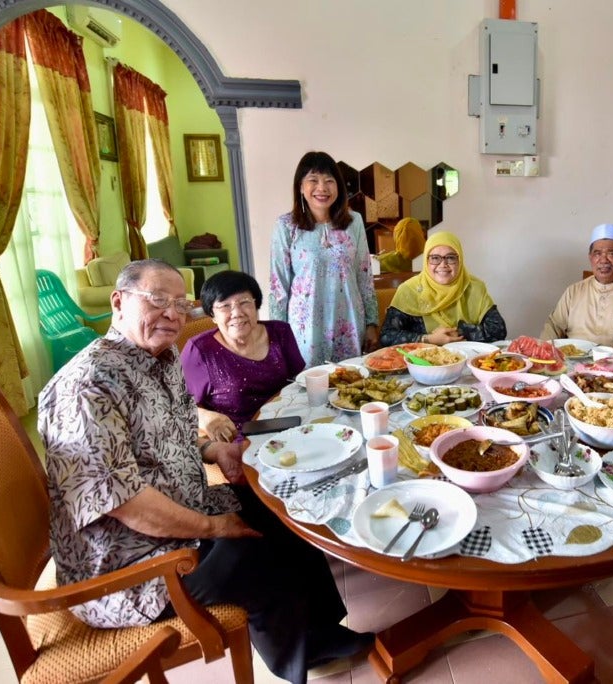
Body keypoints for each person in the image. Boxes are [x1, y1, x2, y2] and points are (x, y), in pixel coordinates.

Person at [39, 259, 371, 684]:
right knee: (250, 553)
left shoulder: (159, 358)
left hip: (181, 514)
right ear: (118, 302)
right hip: (128, 567)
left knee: (282, 505)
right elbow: (128, 505)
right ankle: (296, 656)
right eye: (157, 300)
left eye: (180, 304)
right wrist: (215, 527)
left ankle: (320, 628)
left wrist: (214, 450)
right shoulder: (87, 386)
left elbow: (170, 439)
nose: (172, 314)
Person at [269, 151, 379, 367]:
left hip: (348, 321)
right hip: (306, 327)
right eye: (313, 180)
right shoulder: (286, 226)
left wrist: (372, 323)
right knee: (310, 382)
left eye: (329, 180)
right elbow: (278, 287)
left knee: (351, 380)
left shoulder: (354, 222)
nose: (322, 188)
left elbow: (364, 275)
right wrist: (278, 338)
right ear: (301, 187)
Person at [181, 270, 305, 442]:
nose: (237, 312)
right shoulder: (200, 351)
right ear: (212, 315)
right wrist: (205, 418)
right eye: (225, 306)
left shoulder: (280, 332)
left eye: (244, 302)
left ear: (256, 305)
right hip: (241, 440)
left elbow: (299, 381)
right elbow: (179, 405)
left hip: (291, 424)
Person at [379, 231, 507, 346]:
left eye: (450, 258)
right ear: (426, 261)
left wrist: (459, 331)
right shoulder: (409, 291)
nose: (443, 264)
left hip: (468, 359)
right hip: (422, 362)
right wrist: (429, 339)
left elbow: (498, 331)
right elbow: (387, 336)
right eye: (435, 258)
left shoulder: (474, 287)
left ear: (460, 260)